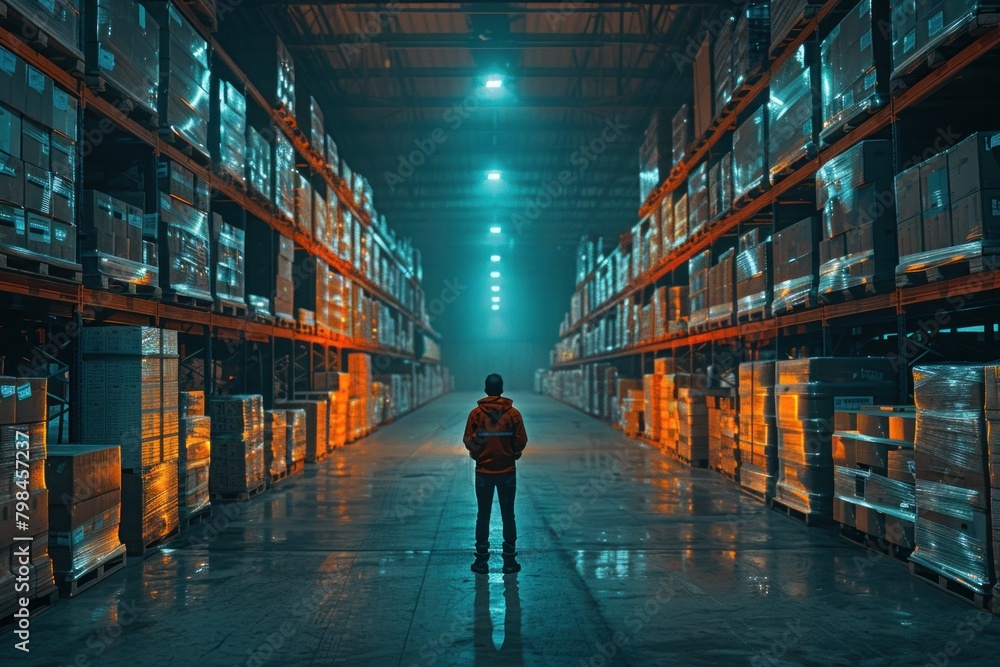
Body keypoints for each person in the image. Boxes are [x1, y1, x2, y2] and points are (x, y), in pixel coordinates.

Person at [463, 373, 527, 574]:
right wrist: (512, 454)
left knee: (483, 515)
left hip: (484, 472)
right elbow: (521, 440)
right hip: (507, 471)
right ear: (501, 389)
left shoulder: (476, 414)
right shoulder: (513, 414)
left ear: (485, 389)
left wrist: (478, 455)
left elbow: (468, 440)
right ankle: (509, 561)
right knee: (509, 515)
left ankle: (481, 561)